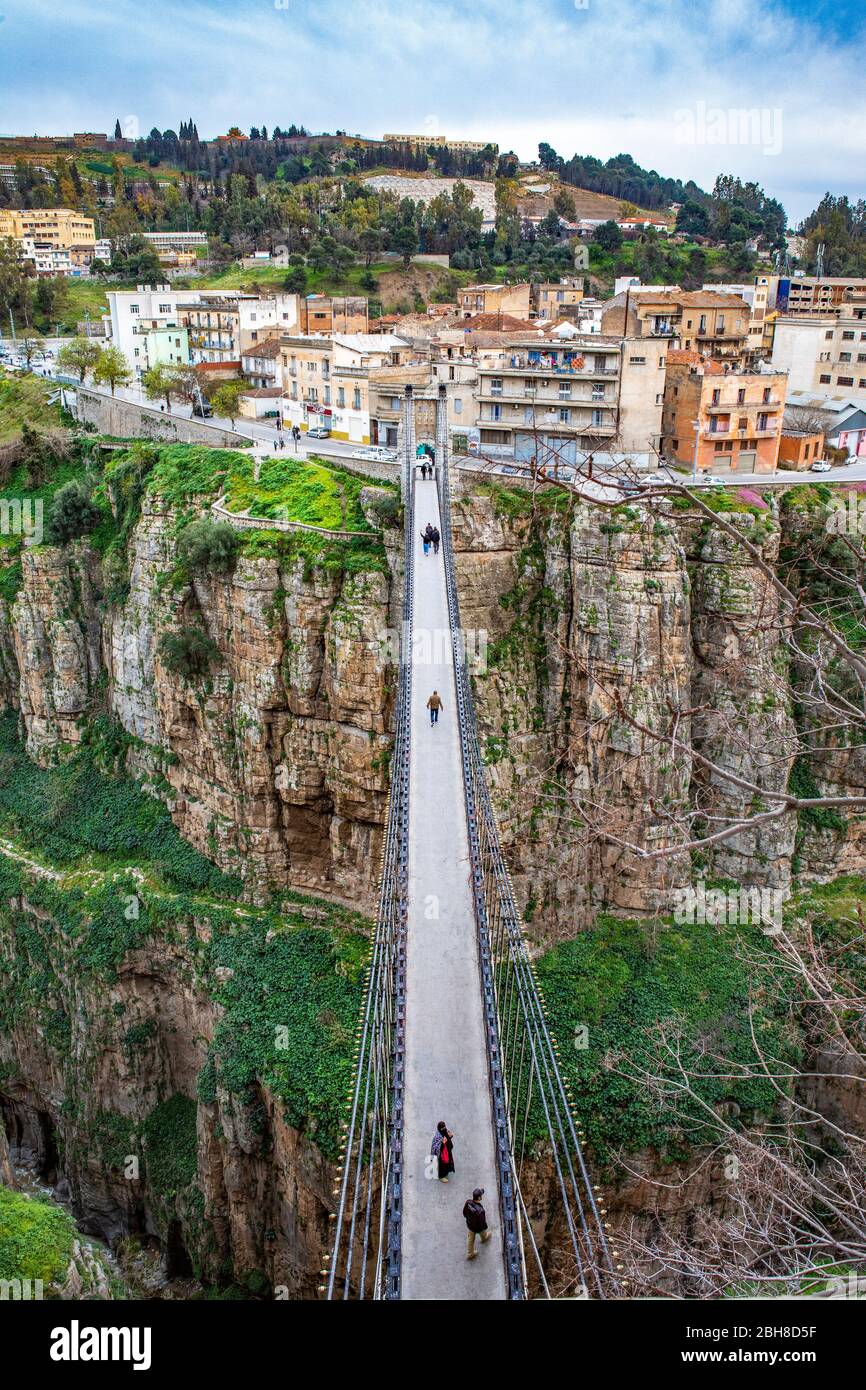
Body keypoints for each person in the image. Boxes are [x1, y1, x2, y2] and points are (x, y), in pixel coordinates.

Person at [463, 1188, 491, 1261]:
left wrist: (468, 1219)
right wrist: (485, 1227)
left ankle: (470, 1253)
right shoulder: (480, 1211)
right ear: (479, 1197)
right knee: (482, 1232)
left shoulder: (468, 1202)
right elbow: (482, 1222)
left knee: (470, 1239)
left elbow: (464, 1213)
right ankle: (484, 1238)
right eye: (481, 1195)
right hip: (478, 1227)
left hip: (470, 1225)